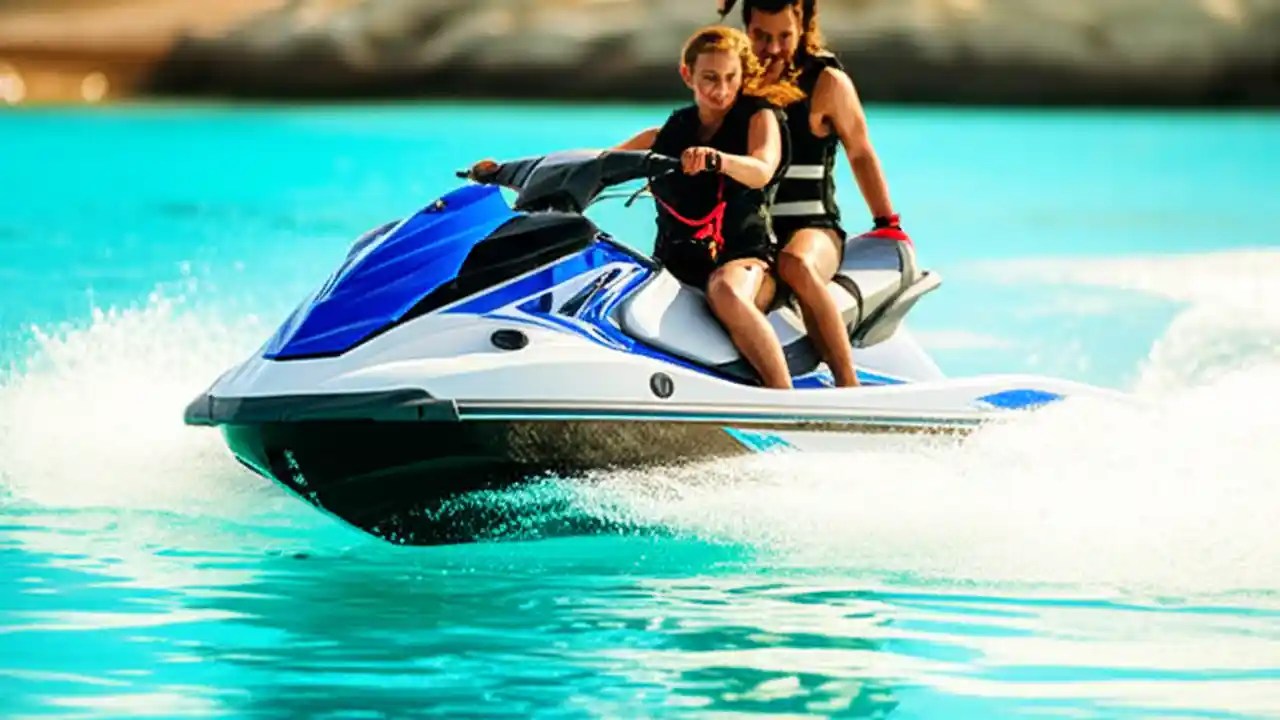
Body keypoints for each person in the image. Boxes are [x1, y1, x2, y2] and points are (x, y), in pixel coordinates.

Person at [473, 26, 803, 389]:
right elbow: (593, 165)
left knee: (724, 290)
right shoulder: (666, 136)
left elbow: (762, 169)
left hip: (745, 263)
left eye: (730, 78)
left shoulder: (759, 119)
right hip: (677, 266)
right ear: (687, 75)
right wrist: (503, 171)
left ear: (743, 77)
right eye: (709, 78)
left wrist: (717, 160)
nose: (720, 90)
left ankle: (782, 396)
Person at [717, 0, 912, 388]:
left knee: (796, 264)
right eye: (761, 36)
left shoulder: (827, 82)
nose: (772, 48)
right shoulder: (734, 80)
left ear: (803, 27)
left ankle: (847, 385)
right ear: (746, 29)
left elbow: (860, 152)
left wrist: (887, 223)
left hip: (813, 229)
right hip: (755, 238)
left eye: (784, 36)